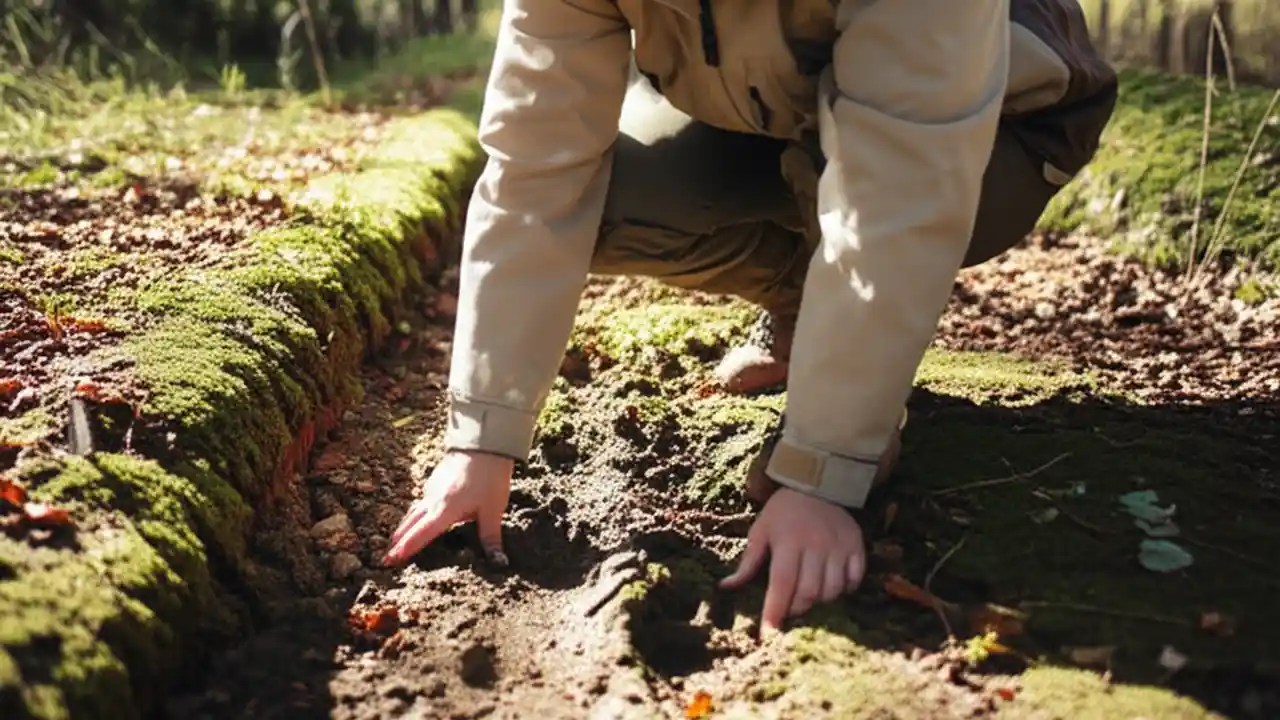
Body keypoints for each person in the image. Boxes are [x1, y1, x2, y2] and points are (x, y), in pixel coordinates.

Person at [383, 0, 1116, 636]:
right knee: (604, 197)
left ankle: (852, 382)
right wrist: (484, 437)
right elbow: (536, 166)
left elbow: (893, 198)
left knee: (863, 182)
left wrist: (823, 474)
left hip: (995, 129)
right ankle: (806, 306)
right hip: (772, 110)